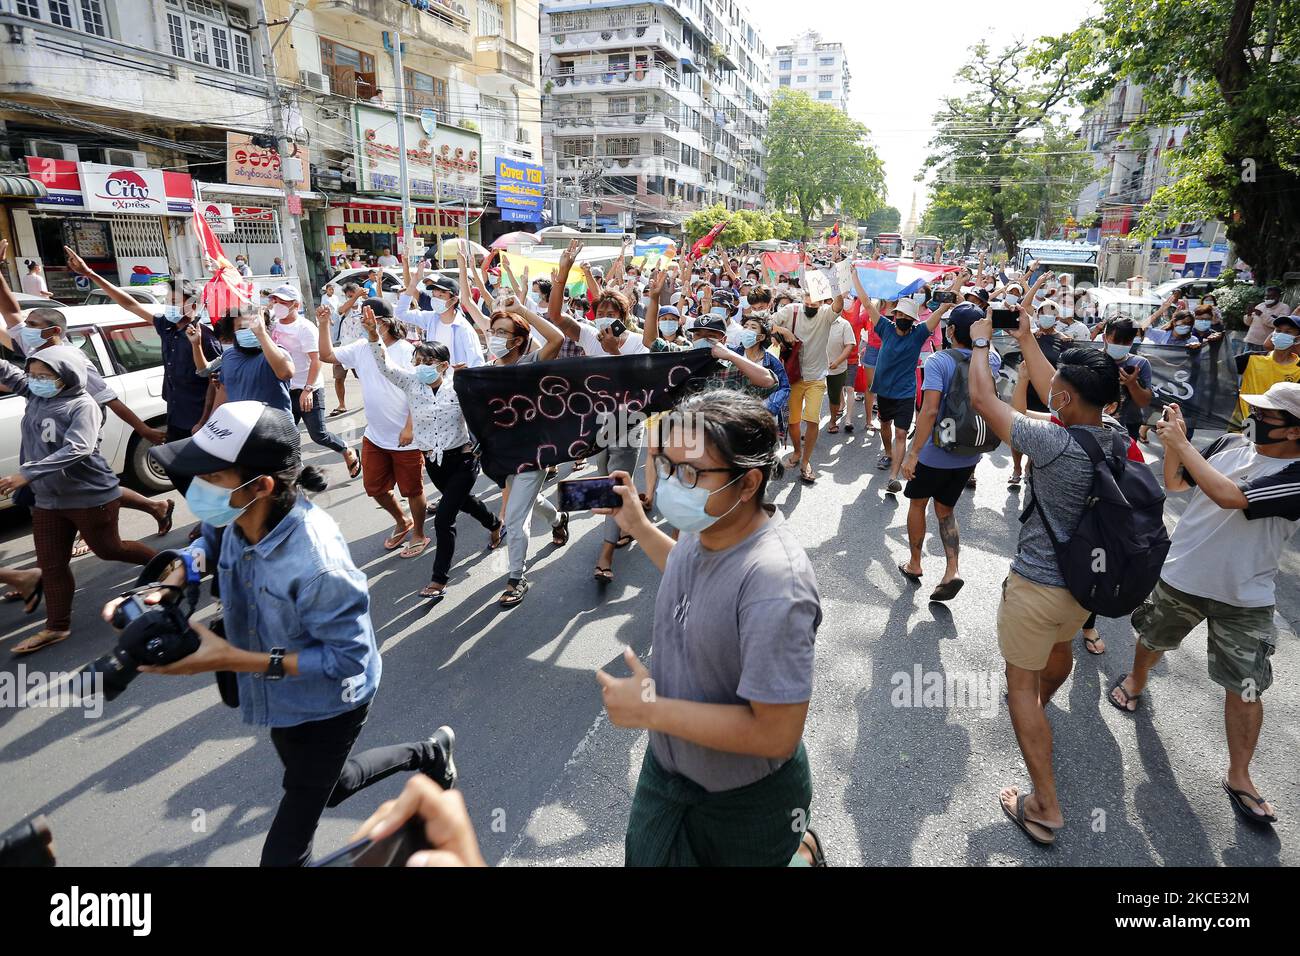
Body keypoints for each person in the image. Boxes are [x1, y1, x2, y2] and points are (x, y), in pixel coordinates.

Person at [135, 401, 456, 866]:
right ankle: (429, 752)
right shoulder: (238, 514)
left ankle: (427, 771)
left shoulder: (316, 565)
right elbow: (209, 537)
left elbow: (348, 659)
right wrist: (176, 575)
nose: (195, 488)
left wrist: (230, 658)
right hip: (280, 695)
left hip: (333, 701)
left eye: (209, 477)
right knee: (333, 785)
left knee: (288, 846)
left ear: (260, 486)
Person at [594, 390, 824, 866]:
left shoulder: (775, 583)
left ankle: (801, 852)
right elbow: (685, 571)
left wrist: (653, 710)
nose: (674, 484)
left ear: (747, 483)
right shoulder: (706, 529)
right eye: (667, 465)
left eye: (691, 473)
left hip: (743, 802)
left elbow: (776, 734)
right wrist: (637, 525)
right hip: (670, 774)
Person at [968, 304, 1127, 846]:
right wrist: (1028, 338)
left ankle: (1045, 804)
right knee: (1060, 651)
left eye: (1056, 385)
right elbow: (1053, 387)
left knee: (1018, 689)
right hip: (1082, 589)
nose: (1048, 386)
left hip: (1035, 587)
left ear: (1063, 397)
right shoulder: (1114, 434)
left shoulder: (1052, 442)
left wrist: (981, 345)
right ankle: (1042, 715)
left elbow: (983, 400)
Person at [1111, 388, 1300, 827]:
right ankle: (1136, 680)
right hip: (1182, 574)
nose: (1251, 416)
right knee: (1152, 637)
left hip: (1246, 597)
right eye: (1252, 409)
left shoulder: (1295, 473)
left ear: (1293, 430)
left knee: (1247, 686)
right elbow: (1178, 484)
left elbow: (1232, 497)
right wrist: (1177, 441)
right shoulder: (1231, 443)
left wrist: (1180, 444)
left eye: (1264, 414)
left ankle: (1240, 776)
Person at [0, 347, 157, 654]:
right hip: (48, 499)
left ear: (66, 376)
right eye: (32, 375)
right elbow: (7, 373)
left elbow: (79, 448)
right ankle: (56, 627)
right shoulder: (36, 394)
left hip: (89, 497)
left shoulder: (82, 404)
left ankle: (166, 564)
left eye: (44, 377)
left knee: (110, 549)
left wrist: (28, 474)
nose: (35, 381)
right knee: (52, 564)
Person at [363, 309, 520, 595]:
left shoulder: (459, 387)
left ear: (444, 365)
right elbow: (384, 366)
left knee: (445, 517)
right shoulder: (411, 383)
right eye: (418, 360)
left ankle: (439, 579)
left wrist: (481, 448)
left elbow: (483, 416)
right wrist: (374, 337)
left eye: (428, 361)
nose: (421, 365)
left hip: (462, 460)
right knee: (465, 503)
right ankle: (495, 523)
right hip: (434, 464)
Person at [899, 304, 1001, 602]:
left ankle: (915, 564)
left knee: (918, 503)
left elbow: (930, 410)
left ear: (951, 330)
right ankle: (952, 569)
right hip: (970, 451)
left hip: (936, 449)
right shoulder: (991, 359)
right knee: (946, 510)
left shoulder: (938, 361)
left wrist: (913, 453)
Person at [316, 299, 427, 554]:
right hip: (375, 436)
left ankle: (419, 533)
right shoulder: (360, 347)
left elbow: (418, 391)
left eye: (369, 318)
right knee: (374, 487)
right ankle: (402, 521)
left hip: (407, 437)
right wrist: (323, 325)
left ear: (385, 322)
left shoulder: (408, 351)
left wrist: (409, 427)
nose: (363, 323)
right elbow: (326, 355)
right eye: (361, 318)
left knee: (412, 490)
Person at [488, 298, 568, 607]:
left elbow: (557, 338)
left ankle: (516, 577)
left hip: (532, 453)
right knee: (528, 500)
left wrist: (522, 311)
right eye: (492, 330)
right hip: (501, 454)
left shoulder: (530, 363)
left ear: (518, 340)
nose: (494, 336)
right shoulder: (487, 371)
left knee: (515, 515)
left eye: (501, 331)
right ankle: (558, 518)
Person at [871, 274, 961, 494]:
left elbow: (938, 313)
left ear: (912, 318)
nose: (900, 316)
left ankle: (893, 477)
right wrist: (855, 277)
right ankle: (888, 452)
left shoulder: (919, 334)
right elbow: (866, 303)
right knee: (885, 426)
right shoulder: (885, 327)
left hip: (905, 392)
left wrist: (946, 303)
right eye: (898, 313)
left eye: (904, 314)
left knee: (900, 433)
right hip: (883, 390)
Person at [268, 285, 359, 480]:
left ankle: (346, 450)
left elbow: (316, 360)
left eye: (283, 301)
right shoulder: (272, 325)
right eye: (275, 301)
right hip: (284, 389)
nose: (277, 305)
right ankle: (295, 475)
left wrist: (308, 389)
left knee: (318, 435)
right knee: (286, 436)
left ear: (295, 305)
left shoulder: (305, 328)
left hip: (308, 388)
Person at [769, 284, 843, 485]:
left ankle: (806, 462)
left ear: (822, 302)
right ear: (802, 298)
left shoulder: (826, 314)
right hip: (792, 377)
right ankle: (797, 451)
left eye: (815, 303)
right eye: (807, 302)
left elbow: (838, 306)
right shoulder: (790, 310)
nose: (810, 305)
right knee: (793, 422)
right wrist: (782, 330)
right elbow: (764, 322)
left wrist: (837, 285)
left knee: (812, 420)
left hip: (816, 378)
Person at [395, 262, 484, 368]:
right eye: (434, 295)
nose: (436, 299)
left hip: (455, 381)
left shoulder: (463, 328)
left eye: (441, 295)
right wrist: (414, 282)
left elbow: (477, 363)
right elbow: (401, 313)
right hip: (434, 380)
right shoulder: (430, 319)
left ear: (454, 300)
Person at [213, 308, 295, 414]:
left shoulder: (276, 353)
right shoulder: (229, 356)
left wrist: (261, 334)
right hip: (242, 427)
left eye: (253, 327)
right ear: (233, 331)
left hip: (273, 427)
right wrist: (212, 421)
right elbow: (223, 391)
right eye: (242, 328)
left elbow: (286, 373)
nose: (250, 331)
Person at [1234, 315, 1300, 423]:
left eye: (1288, 332)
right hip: (1242, 422)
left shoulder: (1298, 369)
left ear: (1297, 339)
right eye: (1278, 330)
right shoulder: (1251, 358)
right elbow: (1220, 368)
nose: (1281, 335)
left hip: (1273, 429)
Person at [329, 282, 366, 417]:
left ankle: (369, 401)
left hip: (361, 349)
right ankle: (341, 404)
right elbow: (342, 310)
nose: (351, 298)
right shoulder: (344, 307)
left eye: (353, 294)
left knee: (365, 378)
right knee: (339, 378)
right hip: (344, 349)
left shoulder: (365, 306)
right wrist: (355, 296)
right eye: (348, 296)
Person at [825, 306, 857, 436]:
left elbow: (850, 345)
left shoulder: (844, 324)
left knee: (834, 395)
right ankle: (812, 425)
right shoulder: (818, 321)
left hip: (837, 368)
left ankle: (833, 421)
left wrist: (837, 362)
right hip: (816, 366)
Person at [1242, 286, 1290, 353]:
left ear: (1278, 297)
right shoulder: (1260, 305)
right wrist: (1249, 315)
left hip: (1265, 344)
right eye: (1266, 296)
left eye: (1271, 296)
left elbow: (1279, 324)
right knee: (1246, 362)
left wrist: (1261, 314)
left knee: (1261, 363)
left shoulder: (1284, 308)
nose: (1267, 298)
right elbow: (1248, 323)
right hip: (1251, 341)